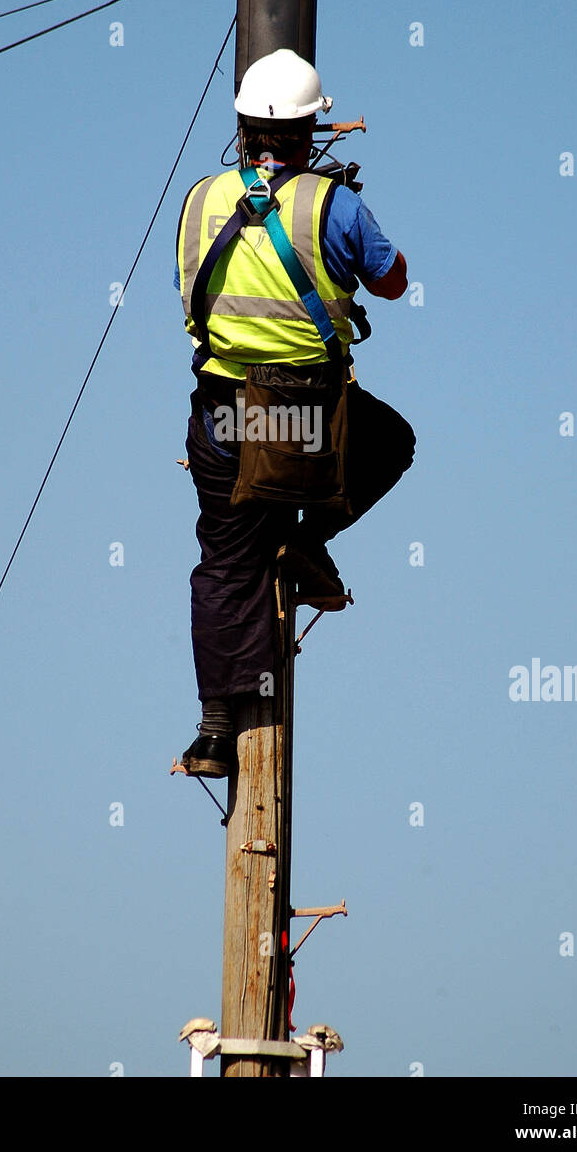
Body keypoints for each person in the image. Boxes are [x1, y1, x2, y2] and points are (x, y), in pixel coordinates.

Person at [175, 49, 416, 777]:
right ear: (311, 130)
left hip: (223, 414)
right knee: (391, 442)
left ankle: (214, 732)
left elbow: (188, 288)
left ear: (244, 128)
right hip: (305, 419)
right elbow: (395, 283)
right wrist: (341, 216)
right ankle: (308, 539)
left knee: (224, 564)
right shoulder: (331, 204)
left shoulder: (198, 199)